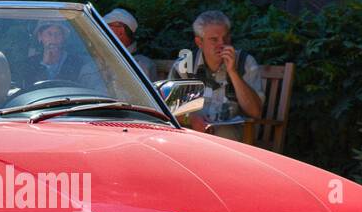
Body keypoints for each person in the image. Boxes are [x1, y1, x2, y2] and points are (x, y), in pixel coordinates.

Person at [166, 10, 264, 139]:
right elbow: (169, 108)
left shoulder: (245, 62)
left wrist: (233, 72)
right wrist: (190, 119)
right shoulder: (185, 65)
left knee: (224, 133)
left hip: (233, 134)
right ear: (199, 42)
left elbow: (255, 112)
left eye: (226, 38)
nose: (222, 44)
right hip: (193, 131)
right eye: (214, 39)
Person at [103, 8, 156, 80]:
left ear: (120, 32)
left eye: (105, 27)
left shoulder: (140, 65)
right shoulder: (101, 58)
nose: (101, 30)